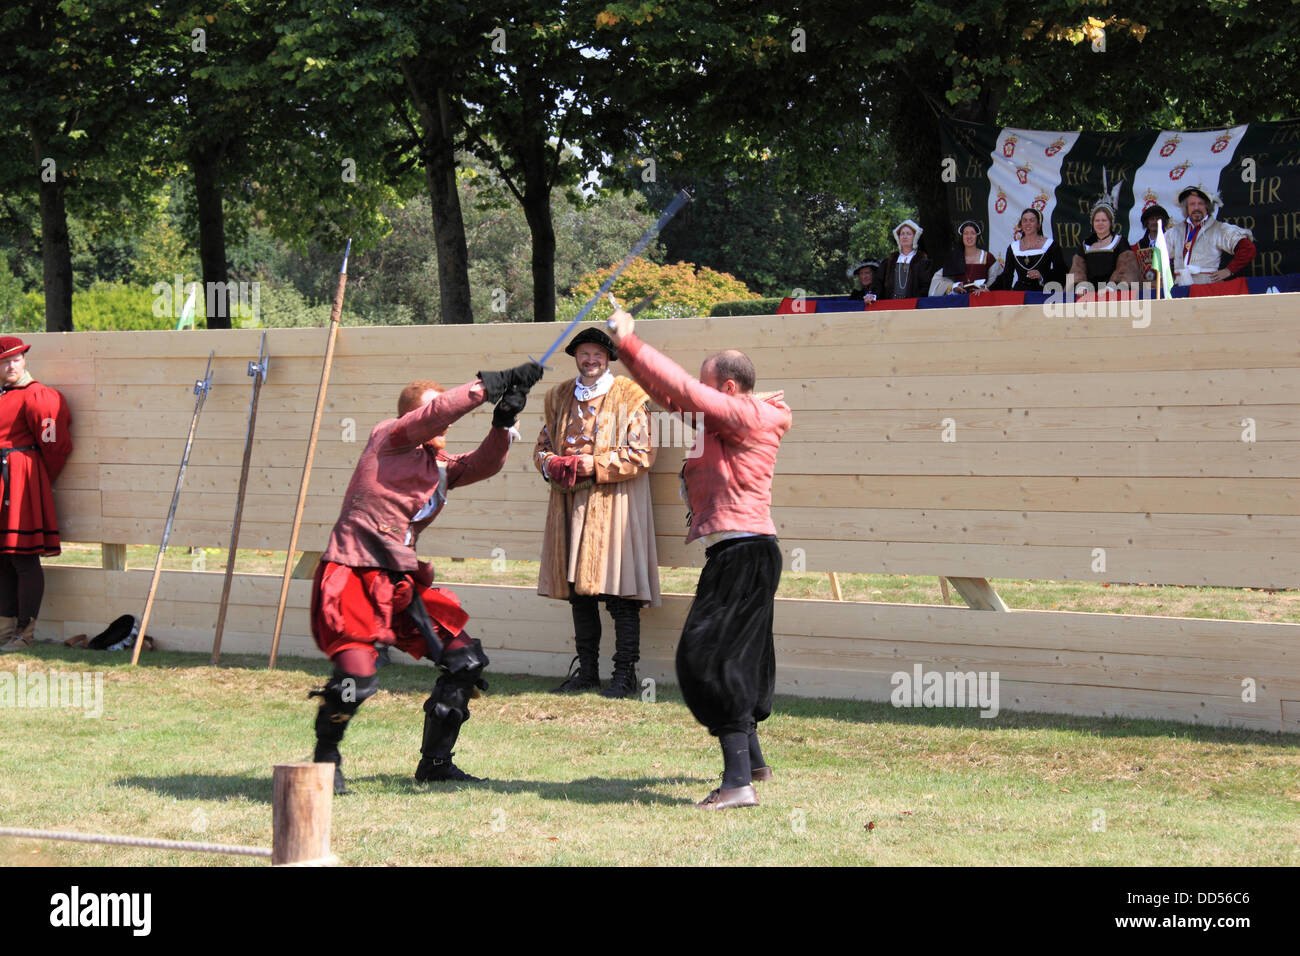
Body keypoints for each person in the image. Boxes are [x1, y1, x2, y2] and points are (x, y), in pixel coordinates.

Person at [308, 361, 542, 793]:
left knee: (464, 662)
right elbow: (437, 414)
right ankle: (325, 757)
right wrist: (482, 387)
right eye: (434, 413)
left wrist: (503, 421)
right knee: (356, 678)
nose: (443, 422)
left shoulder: (439, 466)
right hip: (355, 572)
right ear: (410, 417)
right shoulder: (388, 437)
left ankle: (435, 764)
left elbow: (483, 465)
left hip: (401, 585)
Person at [606, 308, 792, 811]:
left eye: (710, 386)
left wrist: (631, 342)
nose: (701, 394)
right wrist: (628, 352)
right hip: (739, 553)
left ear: (728, 389)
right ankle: (750, 765)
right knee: (738, 659)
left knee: (707, 659)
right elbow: (673, 395)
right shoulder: (723, 417)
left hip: (744, 554)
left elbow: (686, 392)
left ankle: (737, 785)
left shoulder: (747, 415)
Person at [535, 327, 660, 699]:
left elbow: (642, 453)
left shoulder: (629, 395)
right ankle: (587, 671)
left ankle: (625, 675)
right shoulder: (558, 396)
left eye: (597, 355)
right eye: (584, 354)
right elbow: (543, 444)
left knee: (620, 592)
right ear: (576, 356)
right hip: (569, 504)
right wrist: (550, 464)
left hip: (614, 504)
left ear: (608, 358)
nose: (591, 361)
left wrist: (593, 463)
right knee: (579, 593)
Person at [0, 337, 72, 653]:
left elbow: (55, 449)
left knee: (21, 556)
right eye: (3, 361)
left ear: (24, 359)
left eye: (15, 359)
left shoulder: (39, 397)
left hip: (21, 481)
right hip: (2, 481)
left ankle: (25, 631)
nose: (10, 366)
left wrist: (35, 483)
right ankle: (4, 629)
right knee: (1, 558)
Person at [1164, 186, 1256, 285]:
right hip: (1180, 288)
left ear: (1207, 206)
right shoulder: (1175, 232)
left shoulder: (1219, 229)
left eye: (1200, 204)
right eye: (1192, 204)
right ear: (1186, 207)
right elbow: (1158, 258)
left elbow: (1248, 249)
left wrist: (1229, 270)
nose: (1196, 208)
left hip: (1207, 288)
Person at [991, 207, 1066, 292]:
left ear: (1038, 224)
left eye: (1032, 220)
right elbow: (1007, 275)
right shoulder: (1013, 248)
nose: (1028, 224)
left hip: (1043, 293)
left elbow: (1061, 271)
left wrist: (1042, 275)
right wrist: (988, 289)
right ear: (1021, 224)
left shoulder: (1051, 245)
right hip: (1020, 293)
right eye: (1025, 220)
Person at [1068, 202, 1140, 287]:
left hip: (1114, 293)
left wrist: (1112, 286)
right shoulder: (1086, 244)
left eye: (1104, 220)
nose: (1100, 224)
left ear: (1111, 222)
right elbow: (1077, 270)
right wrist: (1081, 285)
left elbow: (1126, 269)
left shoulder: (1120, 242)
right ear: (1092, 223)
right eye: (1097, 220)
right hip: (1089, 294)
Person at [930, 220, 1002, 295]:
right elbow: (939, 279)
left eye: (973, 233)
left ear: (977, 236)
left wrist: (985, 288)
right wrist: (953, 287)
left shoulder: (988, 257)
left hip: (981, 301)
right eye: (966, 233)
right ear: (962, 236)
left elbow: (997, 281)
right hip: (960, 301)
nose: (969, 237)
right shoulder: (955, 258)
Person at [880, 220, 933, 299]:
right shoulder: (889, 262)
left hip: (913, 306)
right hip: (891, 305)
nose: (905, 236)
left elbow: (925, 287)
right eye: (902, 234)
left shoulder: (922, 261)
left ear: (915, 237)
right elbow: (879, 283)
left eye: (908, 234)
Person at [1133, 204, 1171, 283]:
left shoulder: (1171, 242)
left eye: (1157, 219)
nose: (1154, 222)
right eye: (1151, 219)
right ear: (1147, 223)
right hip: (1145, 287)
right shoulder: (1137, 247)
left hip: (1165, 285)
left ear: (1163, 222)